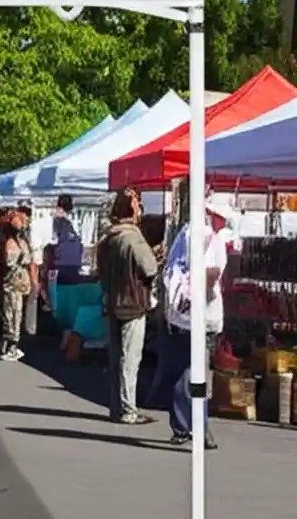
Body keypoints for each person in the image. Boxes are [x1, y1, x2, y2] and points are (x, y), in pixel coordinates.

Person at [162, 199, 231, 449]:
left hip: (183, 315)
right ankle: (196, 427)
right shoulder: (208, 237)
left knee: (184, 372)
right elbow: (212, 274)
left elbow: (172, 270)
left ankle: (183, 425)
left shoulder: (186, 233)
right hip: (200, 315)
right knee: (195, 374)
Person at [96, 187, 158, 425]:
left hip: (112, 301)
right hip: (132, 303)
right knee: (130, 360)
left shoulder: (107, 239)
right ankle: (128, 408)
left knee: (115, 359)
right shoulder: (133, 238)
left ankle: (116, 406)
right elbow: (150, 268)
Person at [0, 210, 33, 361]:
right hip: (16, 283)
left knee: (12, 314)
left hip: (15, 284)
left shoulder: (15, 243)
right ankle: (10, 345)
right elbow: (11, 262)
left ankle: (10, 345)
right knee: (13, 315)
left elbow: (10, 262)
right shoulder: (16, 244)